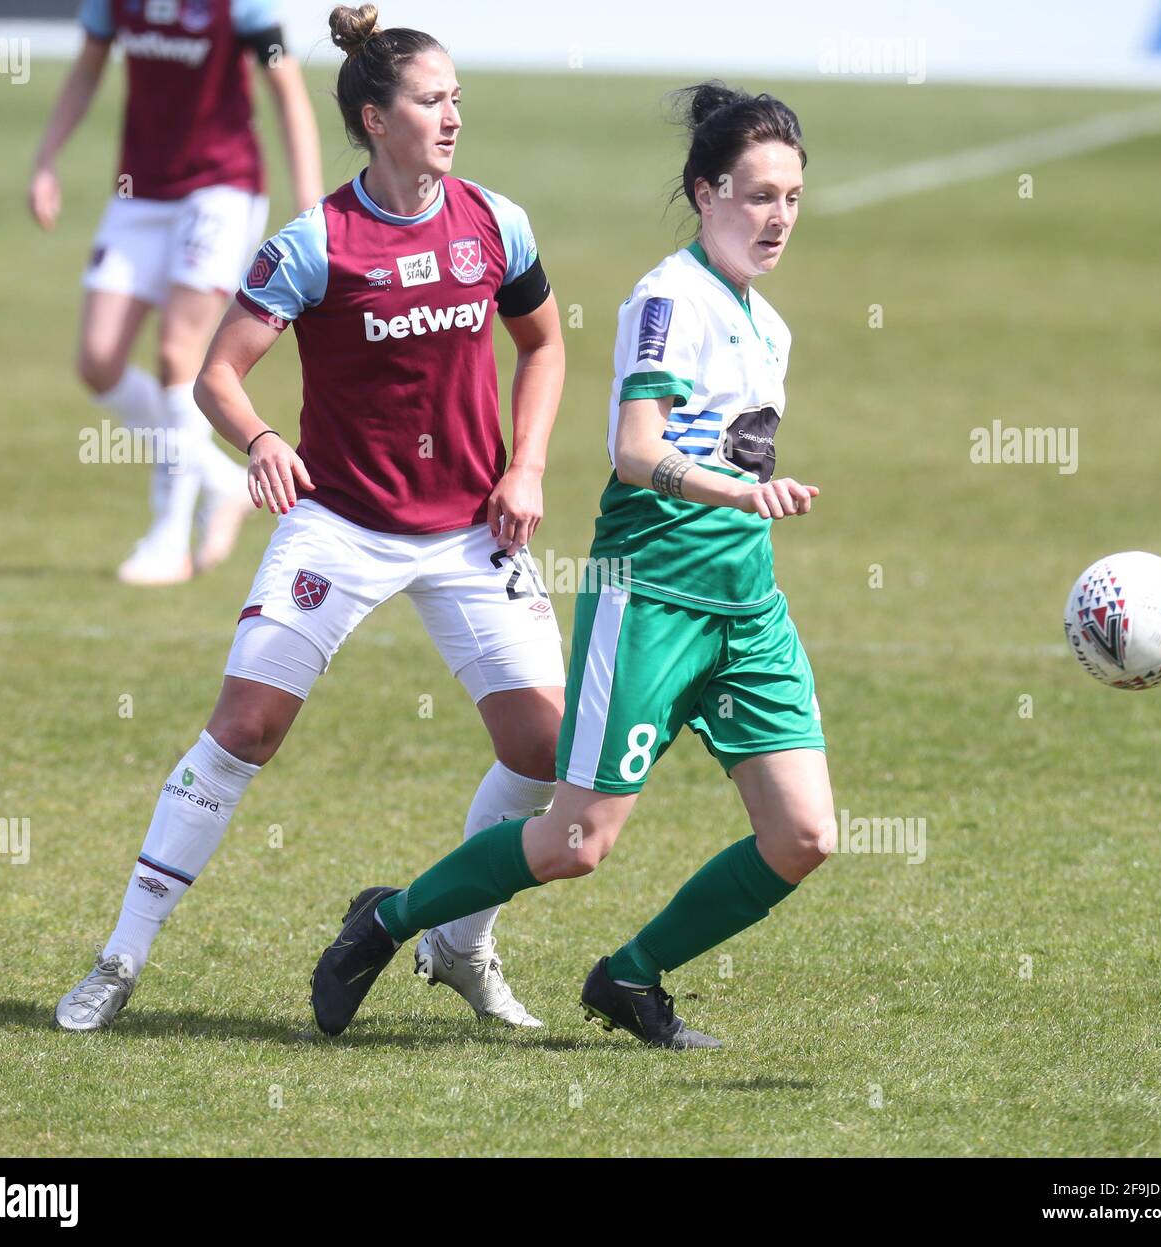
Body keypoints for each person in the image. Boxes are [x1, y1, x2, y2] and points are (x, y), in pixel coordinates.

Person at [55, 4, 566, 1032]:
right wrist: (259, 441)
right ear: (376, 118)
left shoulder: (496, 222)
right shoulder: (314, 243)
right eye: (432, 100)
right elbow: (217, 375)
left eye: (456, 97)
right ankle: (120, 956)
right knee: (245, 727)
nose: (453, 115)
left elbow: (543, 345)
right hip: (340, 523)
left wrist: (528, 467)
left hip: (473, 530)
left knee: (545, 751)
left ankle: (457, 943)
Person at [310, 81, 834, 1050]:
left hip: (745, 608)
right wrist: (735, 492)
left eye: (792, 198)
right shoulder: (668, 300)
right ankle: (384, 920)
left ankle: (629, 976)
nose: (778, 217)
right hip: (648, 600)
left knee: (804, 835)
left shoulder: (770, 326)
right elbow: (637, 449)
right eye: (758, 194)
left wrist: (748, 514)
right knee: (572, 843)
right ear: (705, 190)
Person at [30, 0, 323, 585]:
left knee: (177, 356)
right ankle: (219, 482)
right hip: (139, 192)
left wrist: (311, 204)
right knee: (98, 361)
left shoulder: (241, 7)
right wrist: (46, 159)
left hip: (220, 189)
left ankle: (168, 536)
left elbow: (284, 86)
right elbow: (88, 67)